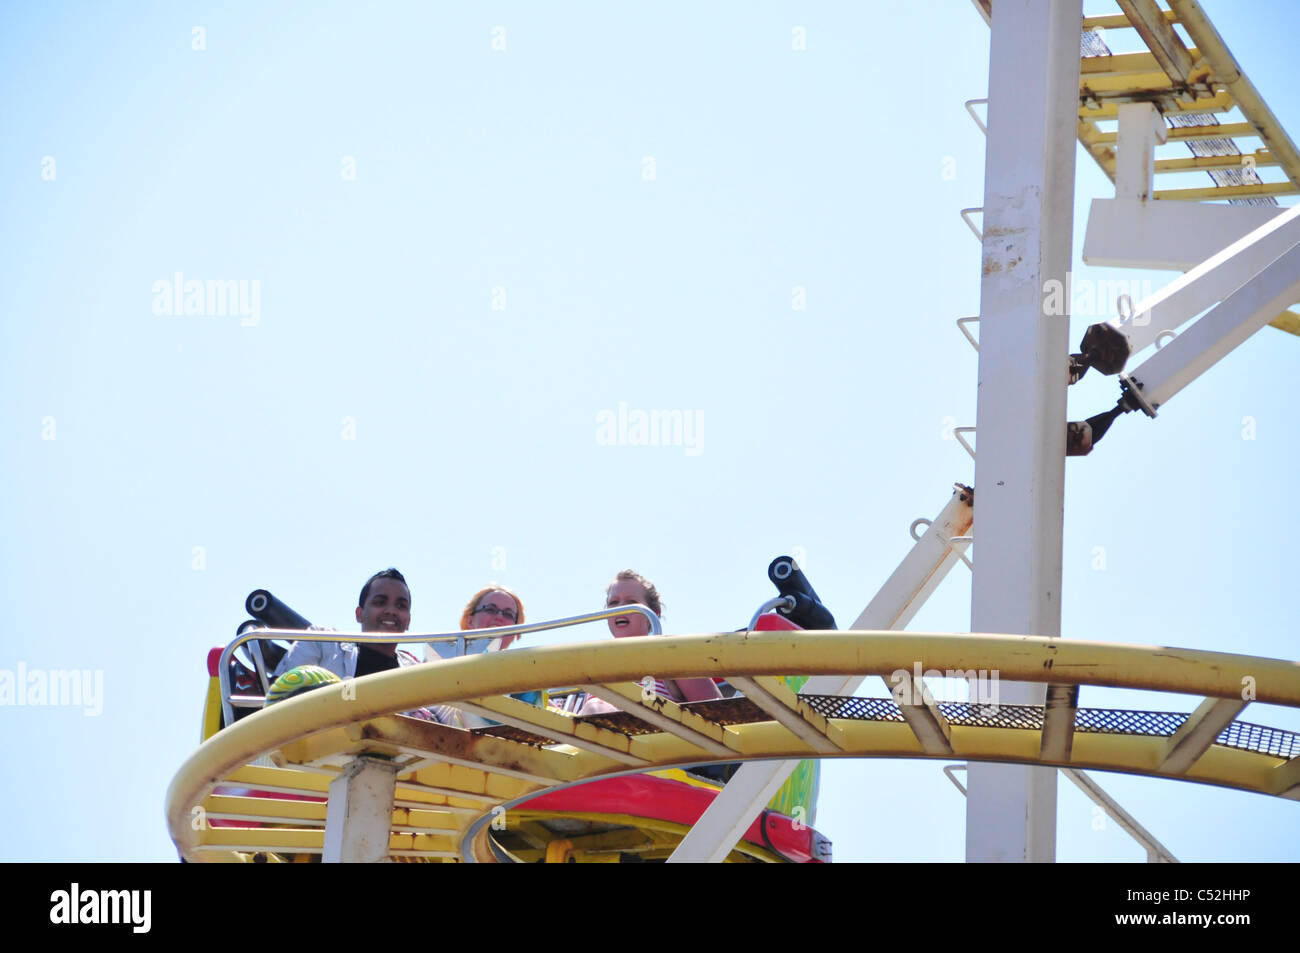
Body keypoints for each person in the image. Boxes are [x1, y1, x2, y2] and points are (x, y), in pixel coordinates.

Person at [577, 570, 721, 715]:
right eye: (613, 603)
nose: (620, 608)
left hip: (654, 735)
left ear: (654, 613)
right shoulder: (596, 665)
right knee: (594, 707)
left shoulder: (674, 655)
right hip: (597, 732)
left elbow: (719, 716)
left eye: (631, 602)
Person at [273, 568, 420, 680]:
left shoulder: (417, 671)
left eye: (400, 606)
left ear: (408, 621)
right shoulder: (321, 642)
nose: (391, 611)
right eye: (380, 602)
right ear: (359, 614)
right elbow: (285, 696)